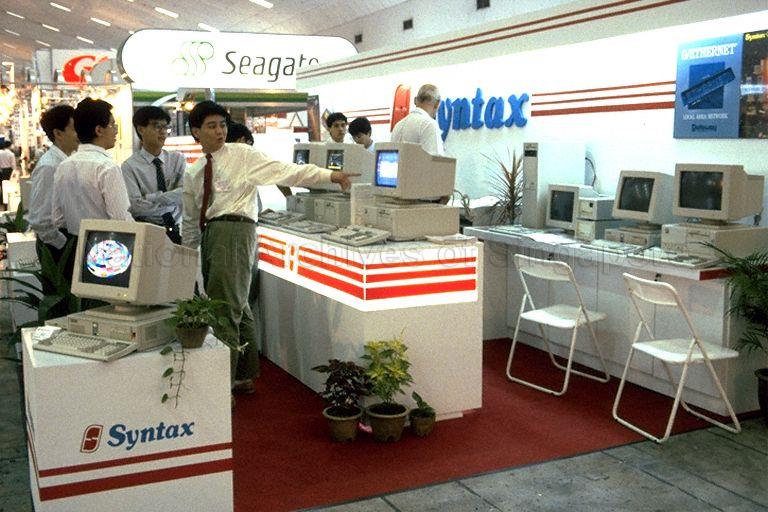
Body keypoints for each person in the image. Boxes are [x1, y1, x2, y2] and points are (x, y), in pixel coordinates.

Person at [181, 101, 354, 398]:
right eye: (211, 126)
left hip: (235, 231)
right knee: (236, 305)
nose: (220, 131)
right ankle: (243, 375)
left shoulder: (242, 155)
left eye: (222, 124)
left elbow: (285, 171)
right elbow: (189, 217)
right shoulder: (195, 170)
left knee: (225, 311)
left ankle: (222, 390)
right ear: (196, 132)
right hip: (212, 234)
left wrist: (330, 175)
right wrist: (188, 257)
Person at [52, 98, 132, 248]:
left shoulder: (63, 166)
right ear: (99, 130)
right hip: (107, 248)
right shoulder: (107, 167)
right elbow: (121, 220)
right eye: (112, 125)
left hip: (76, 246)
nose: (115, 130)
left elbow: (58, 219)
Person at [29, 105, 79, 284]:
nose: (80, 132)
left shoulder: (66, 161)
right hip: (58, 247)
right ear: (58, 133)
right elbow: (41, 219)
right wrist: (63, 245)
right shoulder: (50, 166)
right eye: (75, 128)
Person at [121, 106, 185, 244]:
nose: (163, 133)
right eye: (157, 127)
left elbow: (185, 194)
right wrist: (171, 202)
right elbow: (135, 206)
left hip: (175, 231)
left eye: (165, 128)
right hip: (145, 233)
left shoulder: (177, 159)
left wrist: (150, 198)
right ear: (141, 129)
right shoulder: (129, 166)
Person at [390, 84, 444, 156]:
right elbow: (436, 162)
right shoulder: (429, 125)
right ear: (437, 104)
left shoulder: (398, 125)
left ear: (415, 100)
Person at [0, 140, 16, 209]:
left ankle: (2, 202)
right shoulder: (11, 154)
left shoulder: (0, 153)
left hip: (1, 171)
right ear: (10, 146)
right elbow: (13, 165)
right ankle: (8, 203)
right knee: (9, 187)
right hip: (9, 171)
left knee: (2, 187)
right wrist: (14, 173)